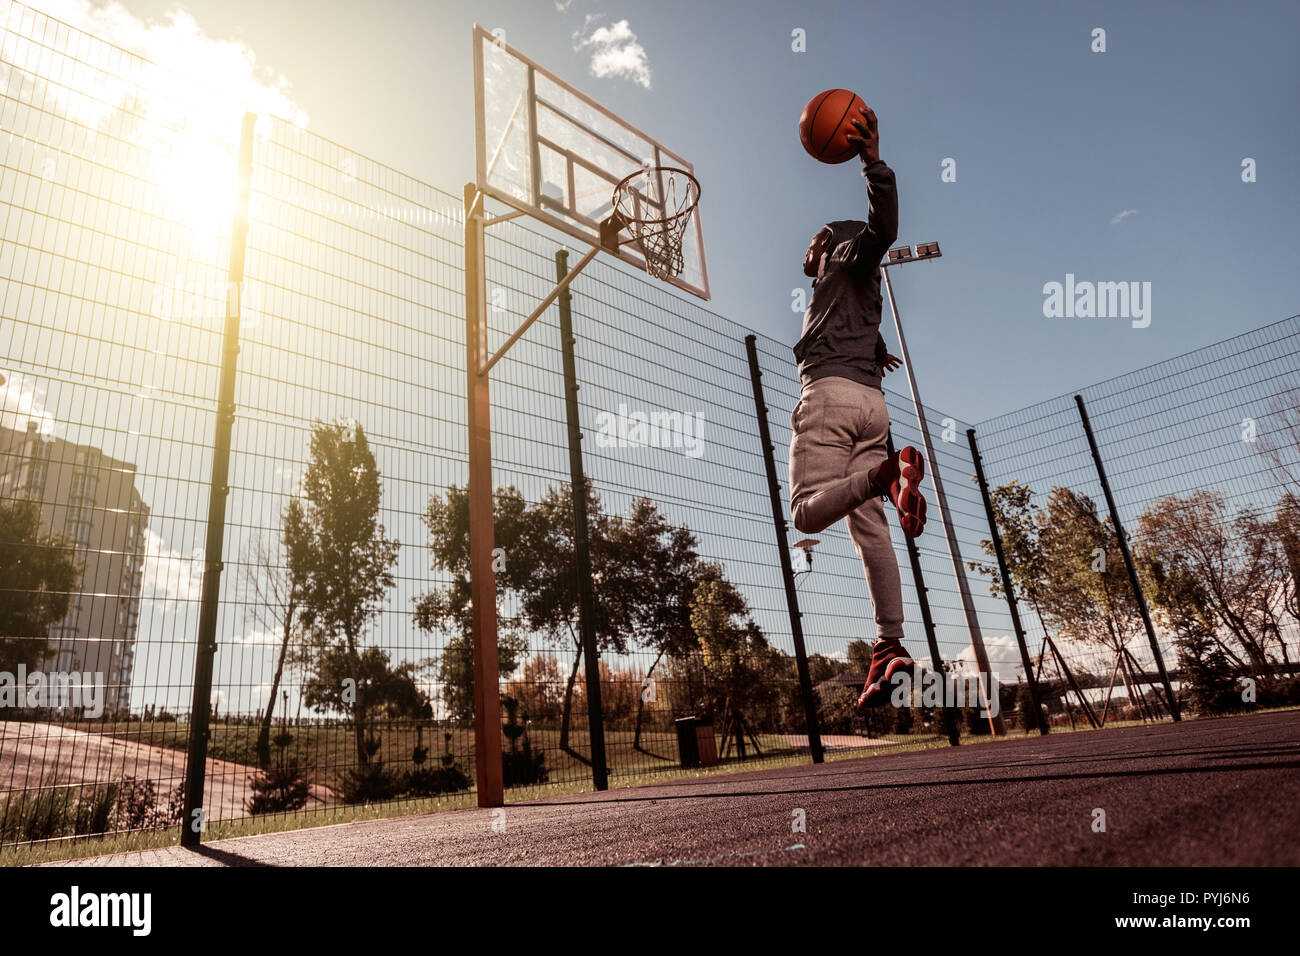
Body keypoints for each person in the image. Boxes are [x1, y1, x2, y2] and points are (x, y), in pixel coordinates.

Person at [788, 105, 928, 709]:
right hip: (873, 406)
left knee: (805, 515)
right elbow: (857, 311)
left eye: (819, 241)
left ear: (830, 247)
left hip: (831, 400)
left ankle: (882, 477)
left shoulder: (842, 265)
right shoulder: (848, 286)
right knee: (871, 529)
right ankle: (889, 647)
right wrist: (876, 350)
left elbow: (881, 231)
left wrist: (873, 164)